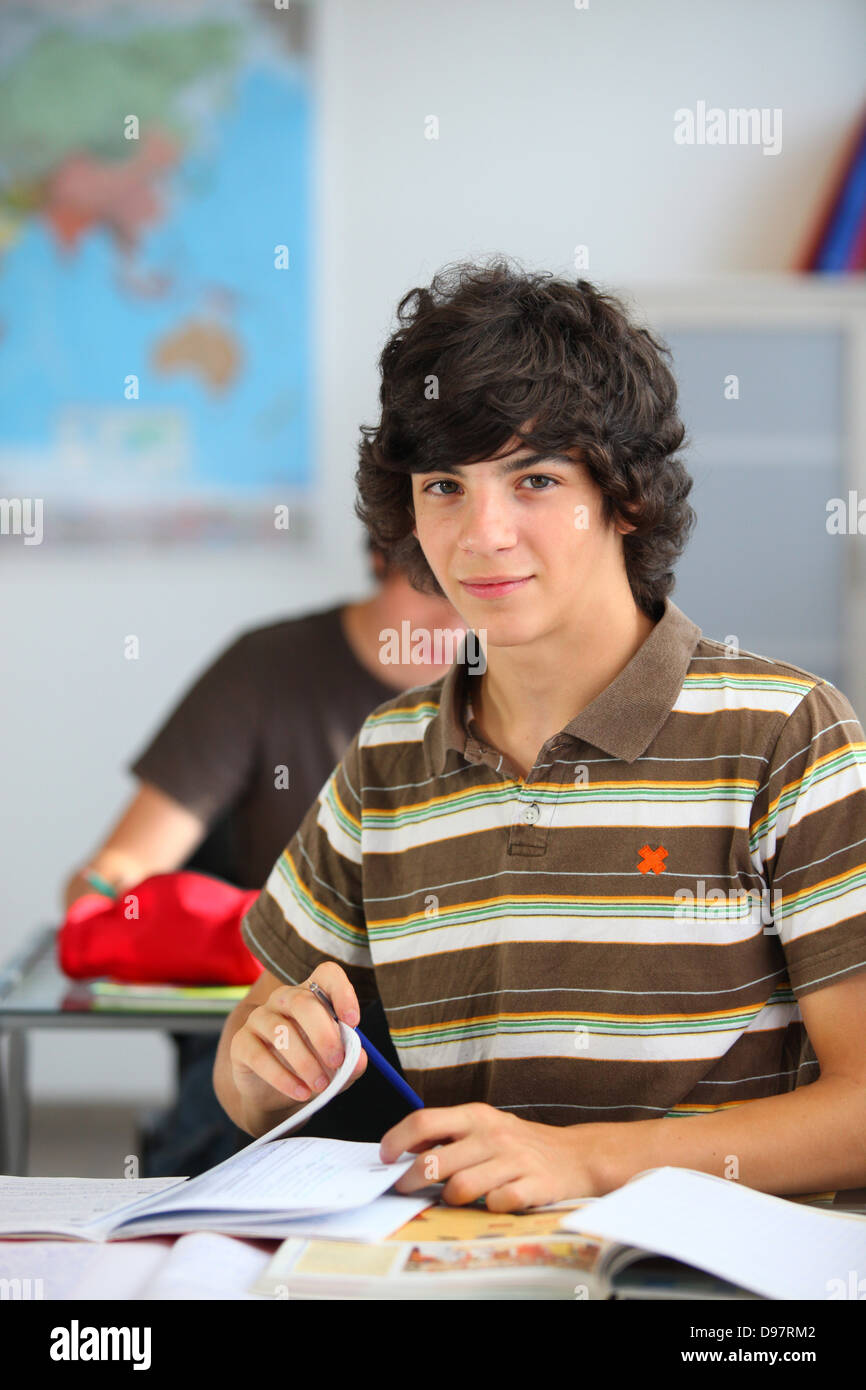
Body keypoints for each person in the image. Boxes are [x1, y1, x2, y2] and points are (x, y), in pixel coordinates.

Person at [214, 256, 866, 1210]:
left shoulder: (787, 735)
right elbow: (243, 1072)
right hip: (468, 1270)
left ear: (625, 495)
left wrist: (589, 1161)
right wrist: (267, 1063)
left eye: (535, 479)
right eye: (445, 485)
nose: (483, 533)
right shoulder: (387, 759)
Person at [63, 539, 467, 1174]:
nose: (459, 619)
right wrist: (117, 906)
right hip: (282, 1004)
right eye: (435, 587)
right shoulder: (268, 670)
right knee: (231, 1139)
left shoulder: (513, 690)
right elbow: (119, 871)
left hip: (453, 1034)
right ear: (384, 555)